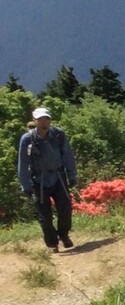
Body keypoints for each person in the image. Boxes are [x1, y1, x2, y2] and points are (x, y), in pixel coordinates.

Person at [17, 106, 77, 252]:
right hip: (39, 180)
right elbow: (23, 162)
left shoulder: (58, 135)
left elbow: (67, 155)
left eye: (47, 118)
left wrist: (72, 175)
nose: (44, 121)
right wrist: (25, 185)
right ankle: (52, 243)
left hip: (58, 177)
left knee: (65, 209)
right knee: (44, 214)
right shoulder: (27, 139)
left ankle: (64, 235)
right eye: (41, 119)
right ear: (35, 120)